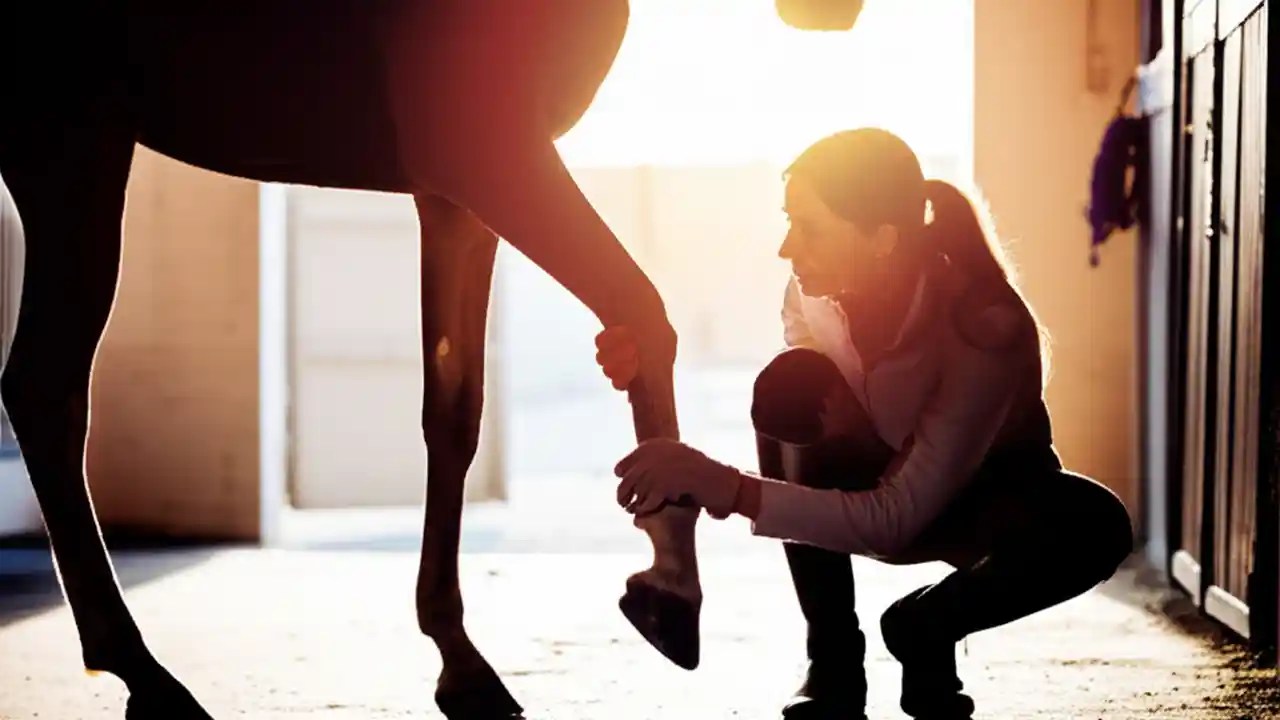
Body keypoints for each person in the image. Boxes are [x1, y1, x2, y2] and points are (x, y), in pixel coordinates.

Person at [592, 127, 1134, 720]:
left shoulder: (984, 326)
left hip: (984, 502)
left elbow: (897, 522)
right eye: (788, 221)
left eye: (810, 228)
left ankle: (925, 626)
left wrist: (722, 485)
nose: (786, 248)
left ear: (882, 239)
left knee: (1095, 525)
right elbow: (823, 431)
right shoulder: (810, 293)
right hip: (884, 467)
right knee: (788, 387)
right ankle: (832, 659)